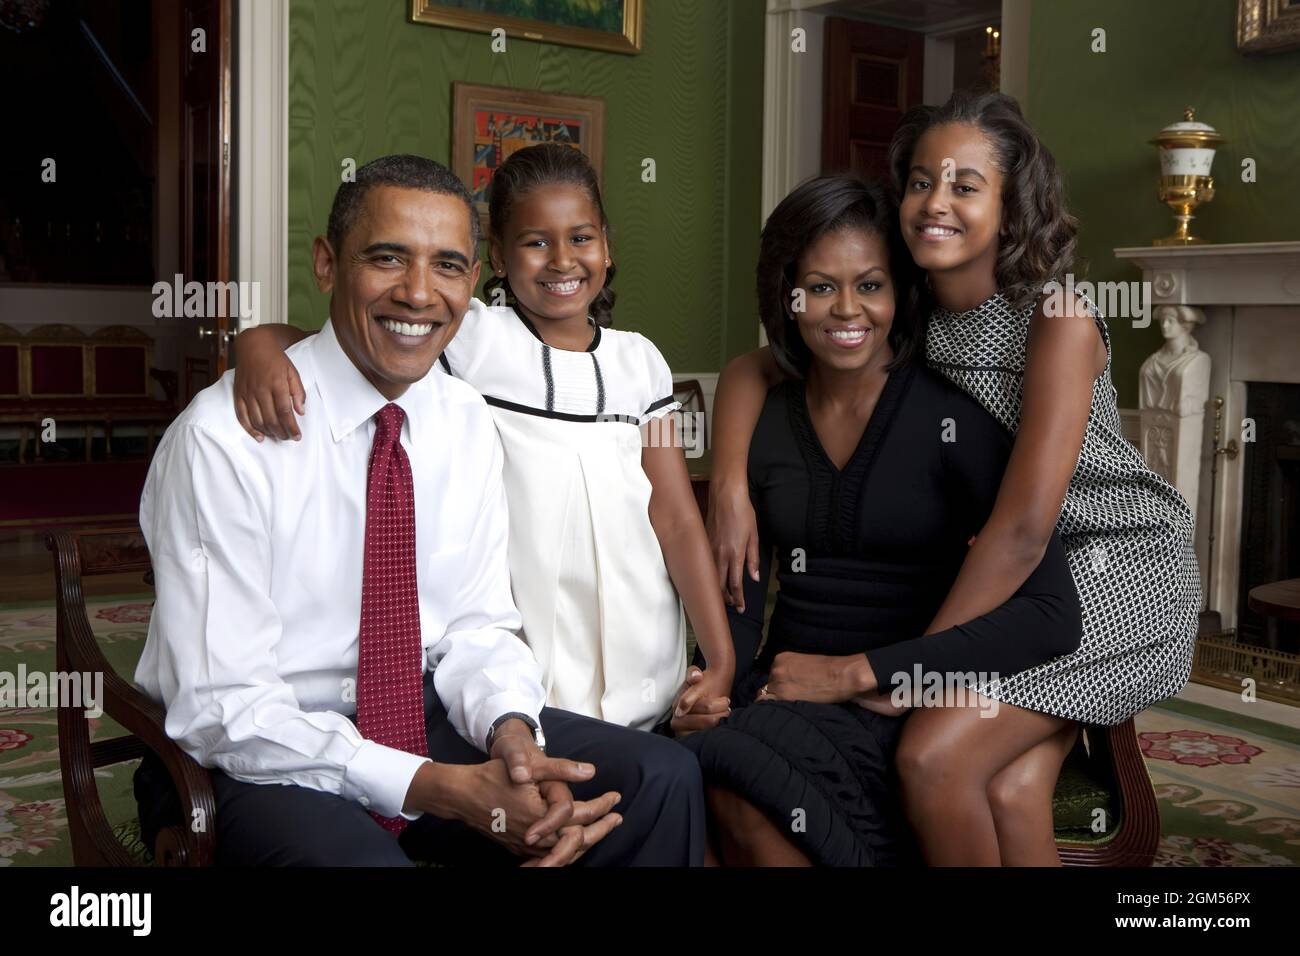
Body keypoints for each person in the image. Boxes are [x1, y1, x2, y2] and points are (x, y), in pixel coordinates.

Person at [133, 154, 704, 867]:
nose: (418, 293)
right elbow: (225, 709)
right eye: (387, 258)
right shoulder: (223, 440)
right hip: (254, 753)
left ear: (473, 280)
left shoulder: (462, 417)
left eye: (447, 266)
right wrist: (444, 789)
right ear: (326, 264)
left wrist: (512, 737)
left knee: (661, 779)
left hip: (419, 715)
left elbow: (477, 626)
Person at [706, 92, 1201, 865]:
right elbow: (754, 367)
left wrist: (905, 671)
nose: (936, 203)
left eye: (966, 186)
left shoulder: (1056, 320)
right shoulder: (911, 307)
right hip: (1029, 576)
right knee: (1011, 790)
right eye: (920, 182)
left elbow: (1023, 529)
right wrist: (731, 480)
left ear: (1012, 207)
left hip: (1114, 569)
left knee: (931, 755)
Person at [230, 144, 735, 738]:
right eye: (536, 242)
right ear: (495, 255)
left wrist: (720, 659)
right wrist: (256, 345)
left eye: (581, 238)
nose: (562, 261)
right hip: (528, 647)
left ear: (607, 246)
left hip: (643, 634)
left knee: (655, 775)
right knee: (560, 762)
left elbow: (675, 517)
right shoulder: (472, 336)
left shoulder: (642, 362)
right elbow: (344, 343)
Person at [680, 174, 1083, 867]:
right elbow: (742, 589)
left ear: (898, 296)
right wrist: (712, 677)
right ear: (787, 295)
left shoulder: (951, 418)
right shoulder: (768, 418)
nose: (846, 310)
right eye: (820, 286)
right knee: (702, 767)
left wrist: (874, 676)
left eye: (870, 285)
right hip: (787, 686)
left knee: (741, 787)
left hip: (899, 701)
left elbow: (1050, 613)